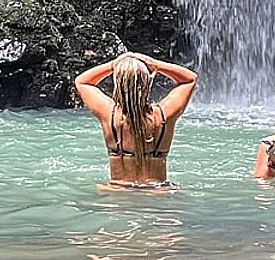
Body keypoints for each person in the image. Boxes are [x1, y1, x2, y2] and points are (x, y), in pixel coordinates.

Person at [74, 51, 198, 188]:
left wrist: (113, 65)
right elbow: (189, 79)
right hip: (157, 192)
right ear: (147, 83)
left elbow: (82, 82)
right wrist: (155, 64)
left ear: (118, 84)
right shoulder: (163, 115)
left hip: (119, 191)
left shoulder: (110, 115)